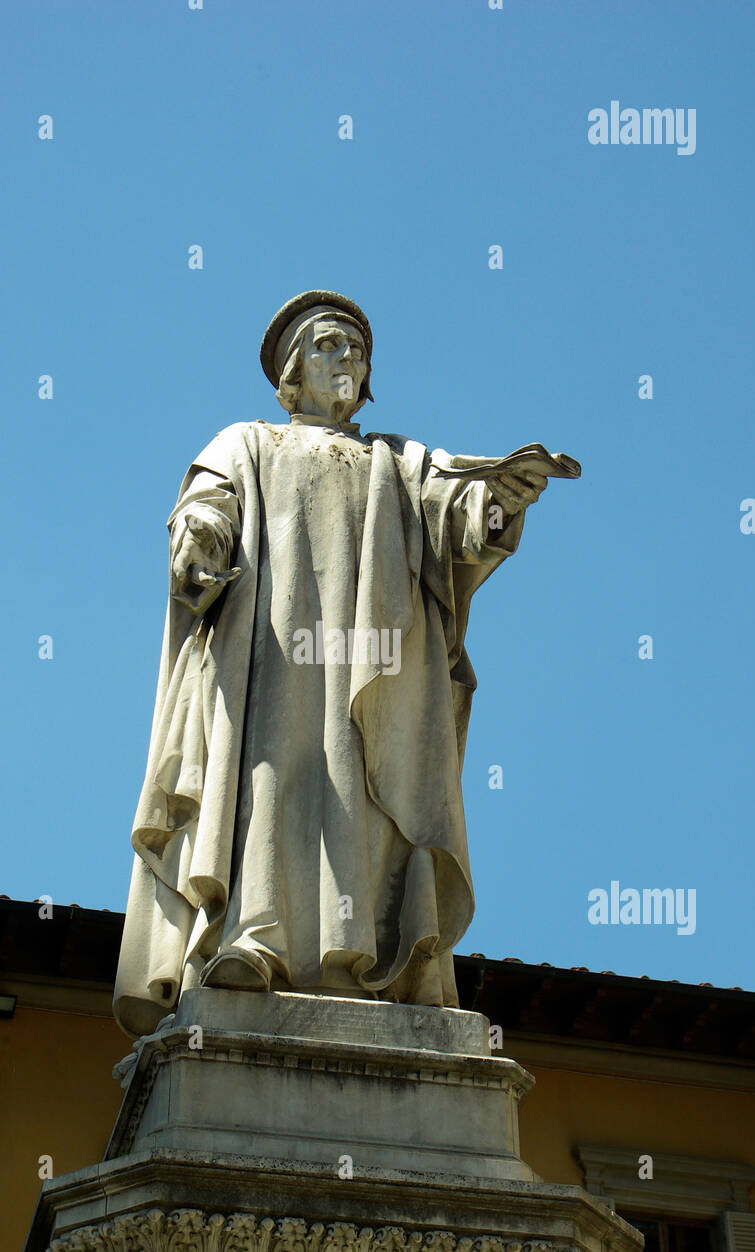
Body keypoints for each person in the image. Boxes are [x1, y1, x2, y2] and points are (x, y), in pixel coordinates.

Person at [113, 291, 575, 1039]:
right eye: (330, 345)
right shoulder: (247, 443)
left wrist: (499, 502)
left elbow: (460, 520)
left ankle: (367, 963)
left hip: (378, 669)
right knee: (269, 781)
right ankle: (252, 941)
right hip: (273, 654)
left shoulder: (400, 461)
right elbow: (207, 506)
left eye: (359, 351)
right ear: (291, 373)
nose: (349, 360)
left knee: (366, 799)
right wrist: (200, 537)